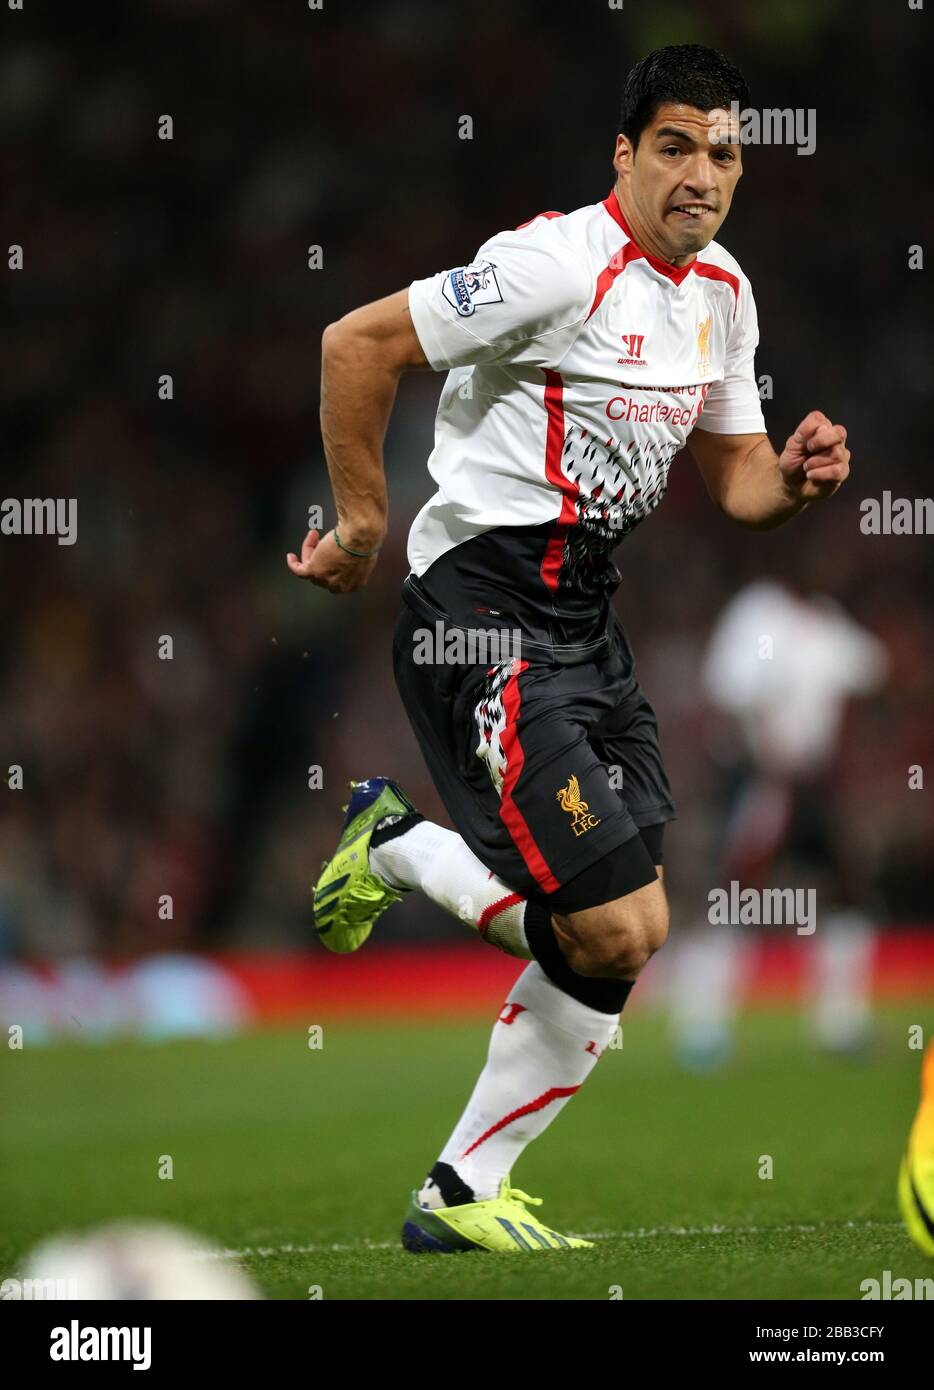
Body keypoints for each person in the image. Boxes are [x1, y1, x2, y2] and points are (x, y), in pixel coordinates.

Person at [288, 44, 851, 1254]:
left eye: (725, 152)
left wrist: (792, 480)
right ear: (624, 154)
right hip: (477, 613)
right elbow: (354, 344)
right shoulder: (549, 265)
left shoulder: (722, 294)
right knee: (602, 921)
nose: (702, 173)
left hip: (585, 624)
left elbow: (736, 479)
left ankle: (457, 1188)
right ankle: (397, 865)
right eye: (676, 146)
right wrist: (361, 524)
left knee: (633, 928)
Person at [669, 579, 888, 1068]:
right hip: (764, 780)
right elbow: (730, 689)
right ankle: (703, 1027)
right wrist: (767, 740)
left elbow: (872, 669)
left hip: (814, 783)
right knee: (737, 895)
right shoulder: (758, 613)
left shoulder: (826, 622)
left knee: (845, 890)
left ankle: (841, 1023)